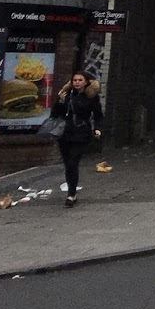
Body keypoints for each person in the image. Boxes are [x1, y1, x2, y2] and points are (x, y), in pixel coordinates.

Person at [52, 71, 104, 207]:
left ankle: (71, 194)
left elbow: (98, 115)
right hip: (65, 133)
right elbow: (55, 113)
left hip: (81, 133)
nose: (77, 82)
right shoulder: (66, 94)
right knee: (68, 164)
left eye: (80, 80)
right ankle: (71, 190)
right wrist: (61, 101)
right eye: (75, 80)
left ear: (86, 82)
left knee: (73, 163)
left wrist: (97, 128)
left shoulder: (91, 96)